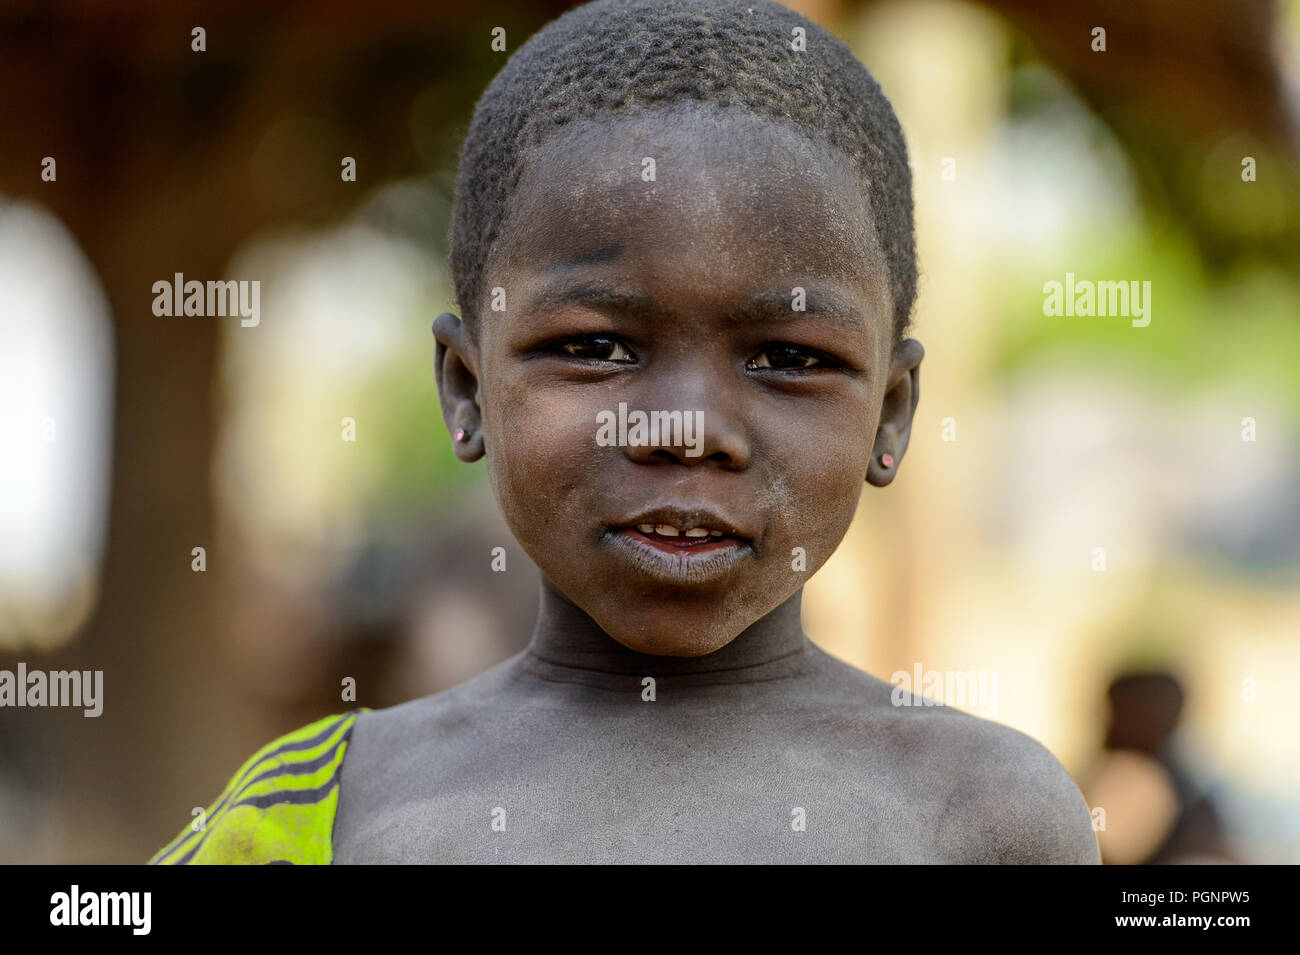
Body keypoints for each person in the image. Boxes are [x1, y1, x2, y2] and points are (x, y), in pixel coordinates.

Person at [151, 0, 1099, 864]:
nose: (687, 429)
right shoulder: (330, 813)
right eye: (597, 346)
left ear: (891, 413)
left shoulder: (986, 820)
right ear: (467, 389)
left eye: (789, 358)